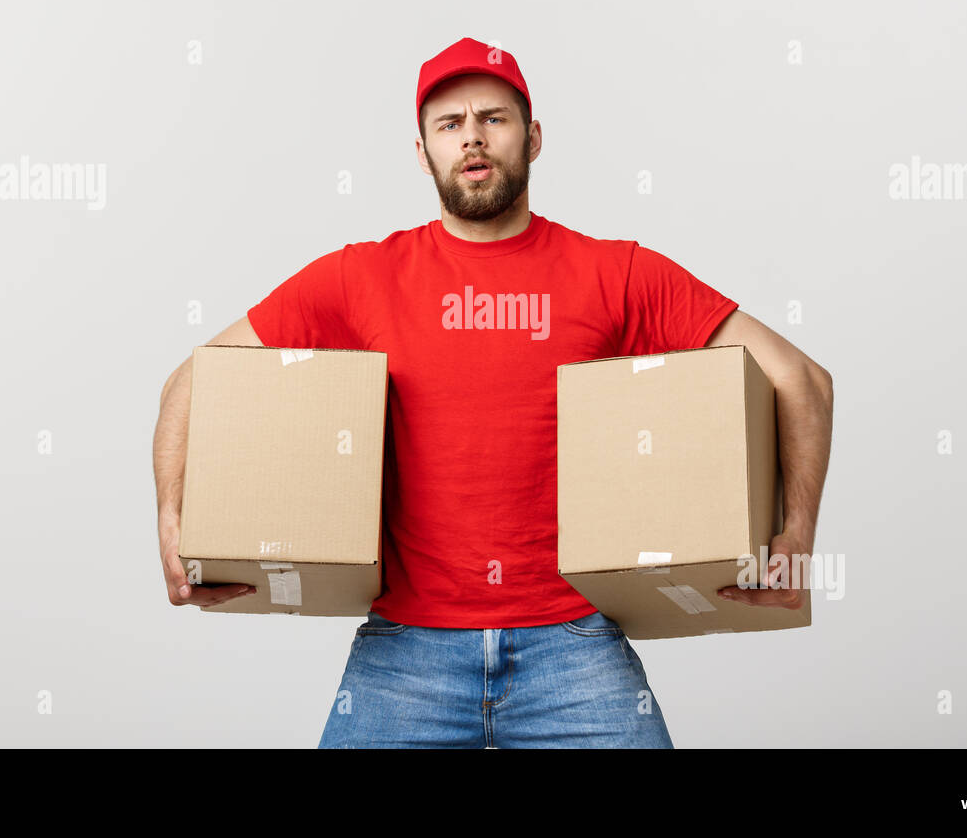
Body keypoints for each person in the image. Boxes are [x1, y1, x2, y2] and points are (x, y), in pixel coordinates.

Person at [152, 37, 834, 748]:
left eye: (493, 118)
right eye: (449, 124)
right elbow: (191, 381)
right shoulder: (359, 278)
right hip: (405, 653)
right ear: (424, 154)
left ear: (532, 138)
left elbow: (801, 379)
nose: (472, 137)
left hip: (575, 646)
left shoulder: (617, 274)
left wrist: (795, 539)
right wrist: (174, 526)